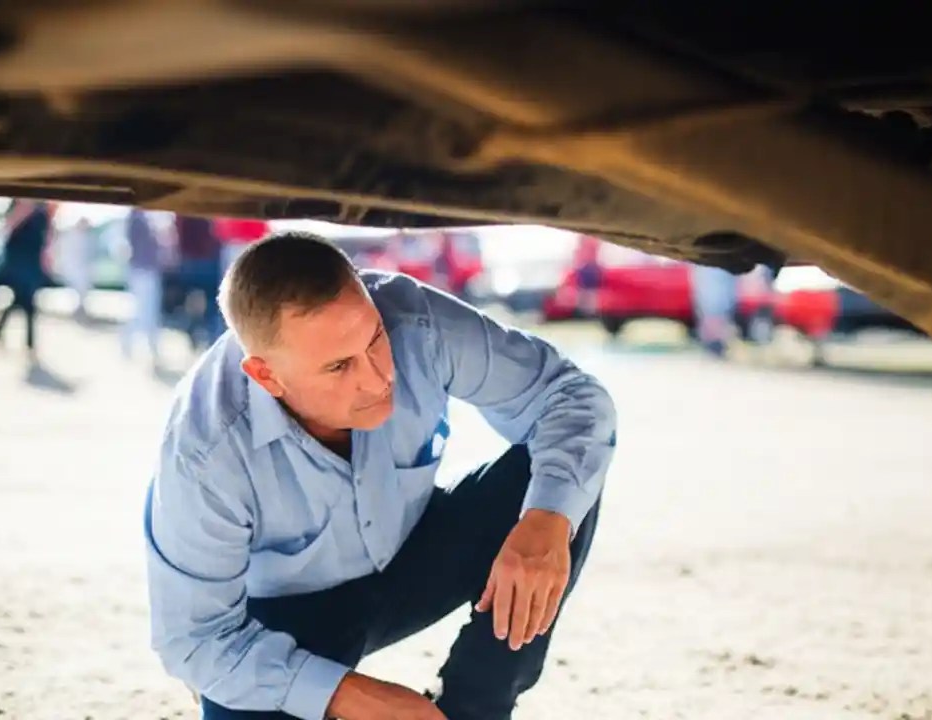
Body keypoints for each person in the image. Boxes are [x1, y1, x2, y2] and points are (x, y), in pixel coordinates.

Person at [145, 233, 616, 720]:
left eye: (373, 340)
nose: (376, 378)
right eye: (338, 366)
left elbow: (572, 397)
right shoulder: (204, 449)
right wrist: (351, 695)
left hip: (411, 556)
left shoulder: (413, 319)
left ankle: (474, 709)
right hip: (288, 624)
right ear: (266, 377)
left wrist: (547, 521)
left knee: (563, 480)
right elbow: (193, 640)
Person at [0, 199, 52, 354]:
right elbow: (7, 228)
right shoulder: (18, 206)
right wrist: (24, 208)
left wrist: (46, 260)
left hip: (32, 263)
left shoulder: (42, 210)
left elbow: (46, 238)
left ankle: (22, 339)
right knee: (25, 301)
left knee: (26, 302)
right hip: (17, 261)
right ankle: (28, 343)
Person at [121, 208, 166, 365]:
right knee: (141, 312)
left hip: (148, 268)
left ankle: (151, 350)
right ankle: (129, 347)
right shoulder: (137, 217)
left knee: (149, 312)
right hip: (141, 269)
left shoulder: (147, 216)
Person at [172, 213, 223, 349]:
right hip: (206, 261)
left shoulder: (182, 213)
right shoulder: (210, 215)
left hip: (192, 261)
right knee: (210, 302)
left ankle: (197, 331)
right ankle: (206, 334)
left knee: (195, 302)